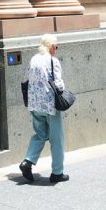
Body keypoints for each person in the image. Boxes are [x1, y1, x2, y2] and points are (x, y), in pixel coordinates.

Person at [19, 34, 69, 184]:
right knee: (56, 139)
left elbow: (26, 79)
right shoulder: (53, 61)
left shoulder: (34, 59)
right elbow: (59, 85)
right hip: (50, 106)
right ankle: (57, 173)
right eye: (56, 46)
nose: (56, 49)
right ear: (52, 46)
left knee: (40, 135)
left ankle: (27, 161)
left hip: (34, 104)